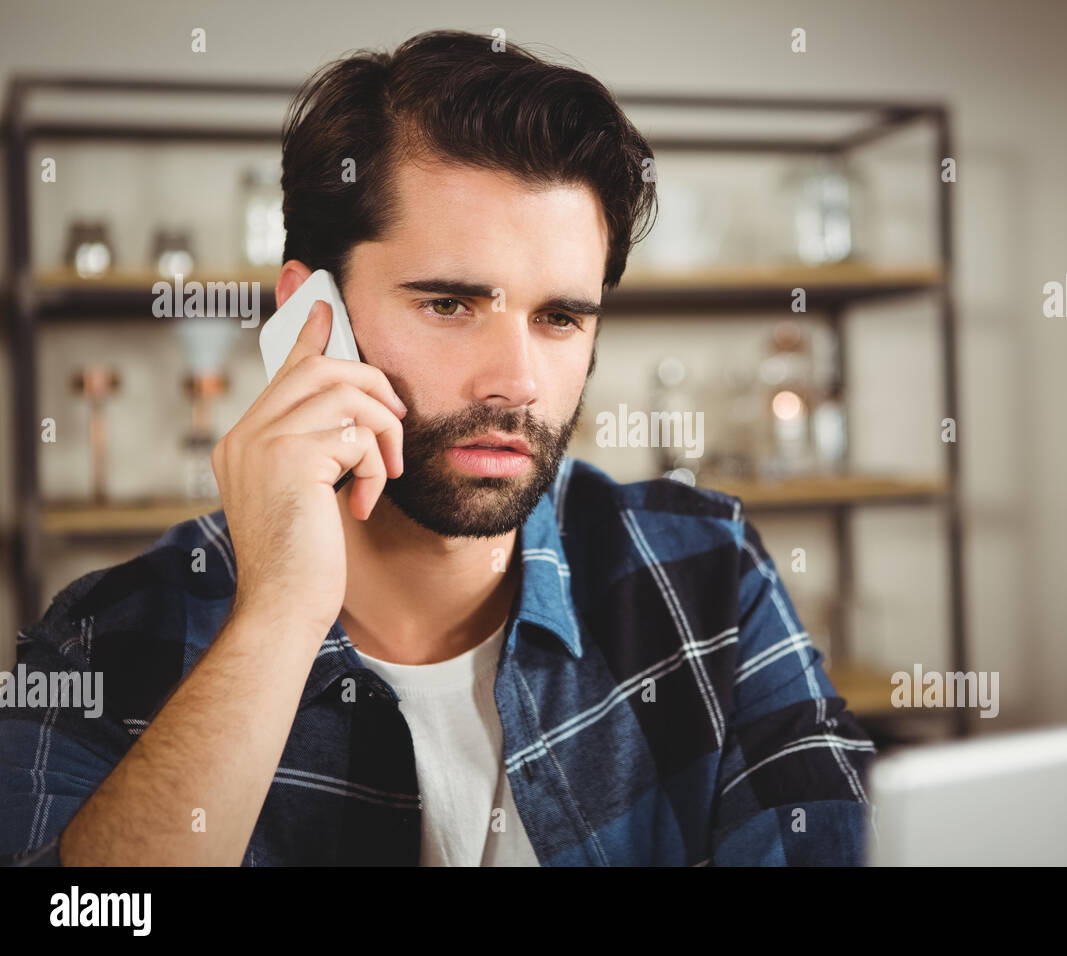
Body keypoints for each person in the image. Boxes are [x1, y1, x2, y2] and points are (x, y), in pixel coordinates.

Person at [0, 29, 875, 866]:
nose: (517, 382)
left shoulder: (708, 575)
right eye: (450, 305)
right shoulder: (101, 644)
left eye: (560, 317)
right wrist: (276, 619)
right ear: (312, 318)